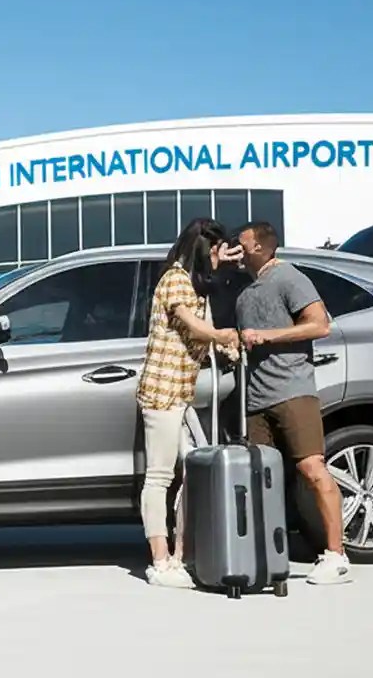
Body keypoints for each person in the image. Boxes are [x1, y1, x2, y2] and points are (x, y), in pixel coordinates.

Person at [233, 220, 352, 585]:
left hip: (292, 390)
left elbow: (320, 325)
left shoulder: (289, 277)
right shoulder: (245, 292)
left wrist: (267, 336)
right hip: (255, 398)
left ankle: (337, 556)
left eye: (241, 244)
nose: (236, 250)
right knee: (260, 479)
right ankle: (264, 556)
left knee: (312, 469)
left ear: (259, 247)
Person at [134, 218, 243, 588]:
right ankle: (160, 562)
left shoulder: (198, 286)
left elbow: (204, 334)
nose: (219, 257)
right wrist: (222, 334)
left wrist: (223, 343)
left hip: (182, 392)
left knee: (194, 472)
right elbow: (193, 326)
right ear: (202, 250)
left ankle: (182, 555)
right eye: (215, 251)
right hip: (163, 391)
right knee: (160, 476)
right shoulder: (175, 279)